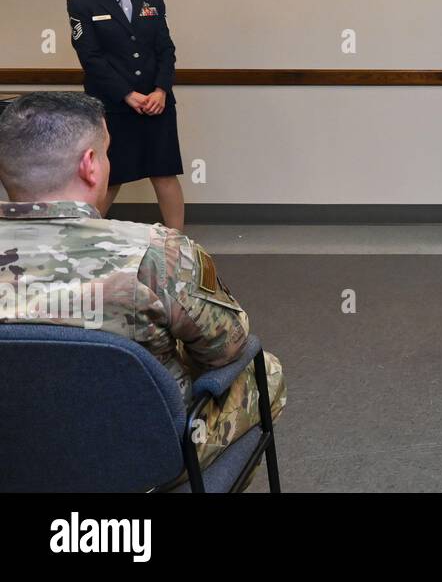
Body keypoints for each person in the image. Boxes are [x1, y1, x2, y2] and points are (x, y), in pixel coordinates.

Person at [0, 92, 285, 483]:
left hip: (11, 450)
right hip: (142, 454)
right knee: (264, 371)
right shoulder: (156, 252)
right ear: (90, 166)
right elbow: (226, 348)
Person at [66, 0, 185, 229]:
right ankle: (84, 240)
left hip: (157, 103)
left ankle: (178, 242)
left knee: (164, 172)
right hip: (113, 104)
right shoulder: (82, 4)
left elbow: (165, 50)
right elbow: (91, 58)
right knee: (110, 176)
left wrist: (160, 90)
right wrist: (127, 95)